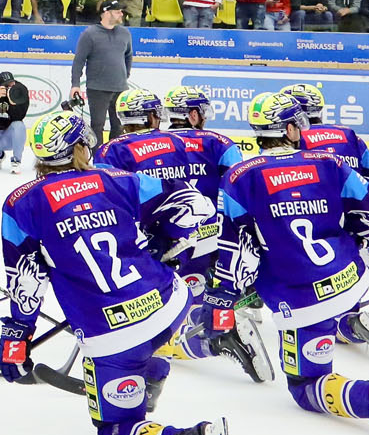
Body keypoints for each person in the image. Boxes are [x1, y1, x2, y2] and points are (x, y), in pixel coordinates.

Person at [0, 108, 231, 435]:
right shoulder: (119, 179)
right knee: (152, 341)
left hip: (111, 334)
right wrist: (160, 246)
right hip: (168, 301)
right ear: (80, 148)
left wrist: (15, 339)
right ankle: (150, 374)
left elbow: (26, 281)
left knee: (114, 431)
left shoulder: (21, 203)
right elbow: (196, 209)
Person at [213, 91, 369, 435]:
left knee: (304, 385)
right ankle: (348, 322)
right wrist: (356, 237)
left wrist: (223, 294)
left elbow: (234, 248)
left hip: (297, 296)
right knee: (331, 315)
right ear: (292, 128)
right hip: (349, 278)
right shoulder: (329, 162)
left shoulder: (239, 177)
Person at [92, 85, 269, 385]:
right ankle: (225, 310)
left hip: (152, 246)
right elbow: (237, 188)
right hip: (201, 233)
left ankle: (210, 339)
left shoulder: (112, 151)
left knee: (160, 328)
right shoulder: (183, 142)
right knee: (192, 294)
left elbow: (109, 205)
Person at [68, 2, 133, 141]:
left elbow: (128, 56)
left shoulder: (125, 33)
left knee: (119, 126)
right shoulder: (89, 34)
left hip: (120, 88)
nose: (121, 14)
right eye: (118, 11)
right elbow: (79, 60)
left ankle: (114, 156)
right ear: (106, 13)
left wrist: (125, 75)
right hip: (97, 89)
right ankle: (98, 160)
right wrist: (75, 84)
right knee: (97, 126)